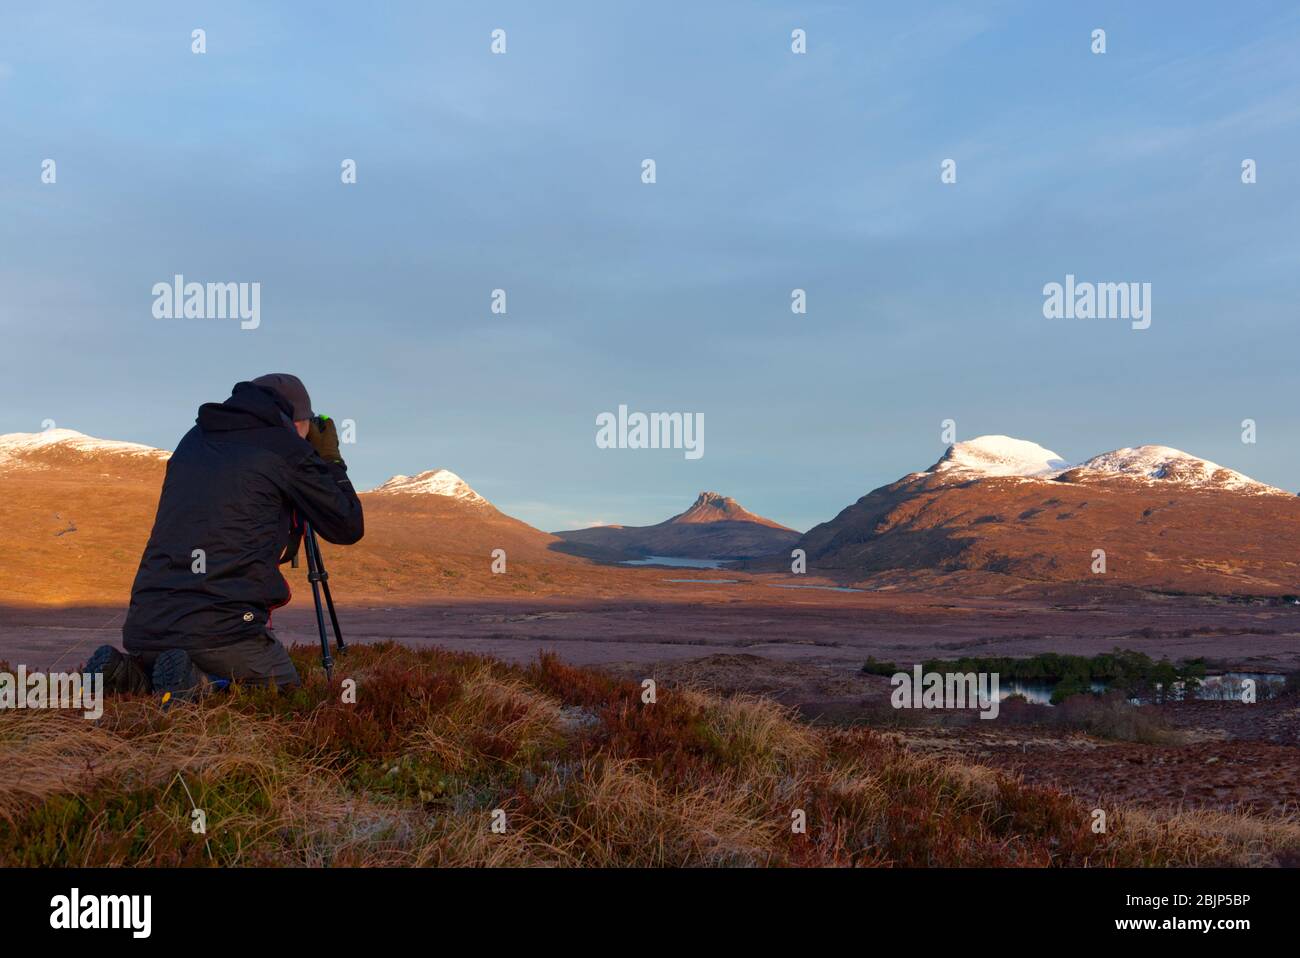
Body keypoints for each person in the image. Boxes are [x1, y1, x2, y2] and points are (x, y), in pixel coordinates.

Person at [86, 373, 364, 702]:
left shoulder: (193, 439)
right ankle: (200, 685)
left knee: (174, 656)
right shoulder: (284, 447)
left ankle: (127, 674)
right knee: (281, 692)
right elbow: (347, 525)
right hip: (222, 632)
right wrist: (329, 458)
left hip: (146, 624)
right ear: (295, 419)